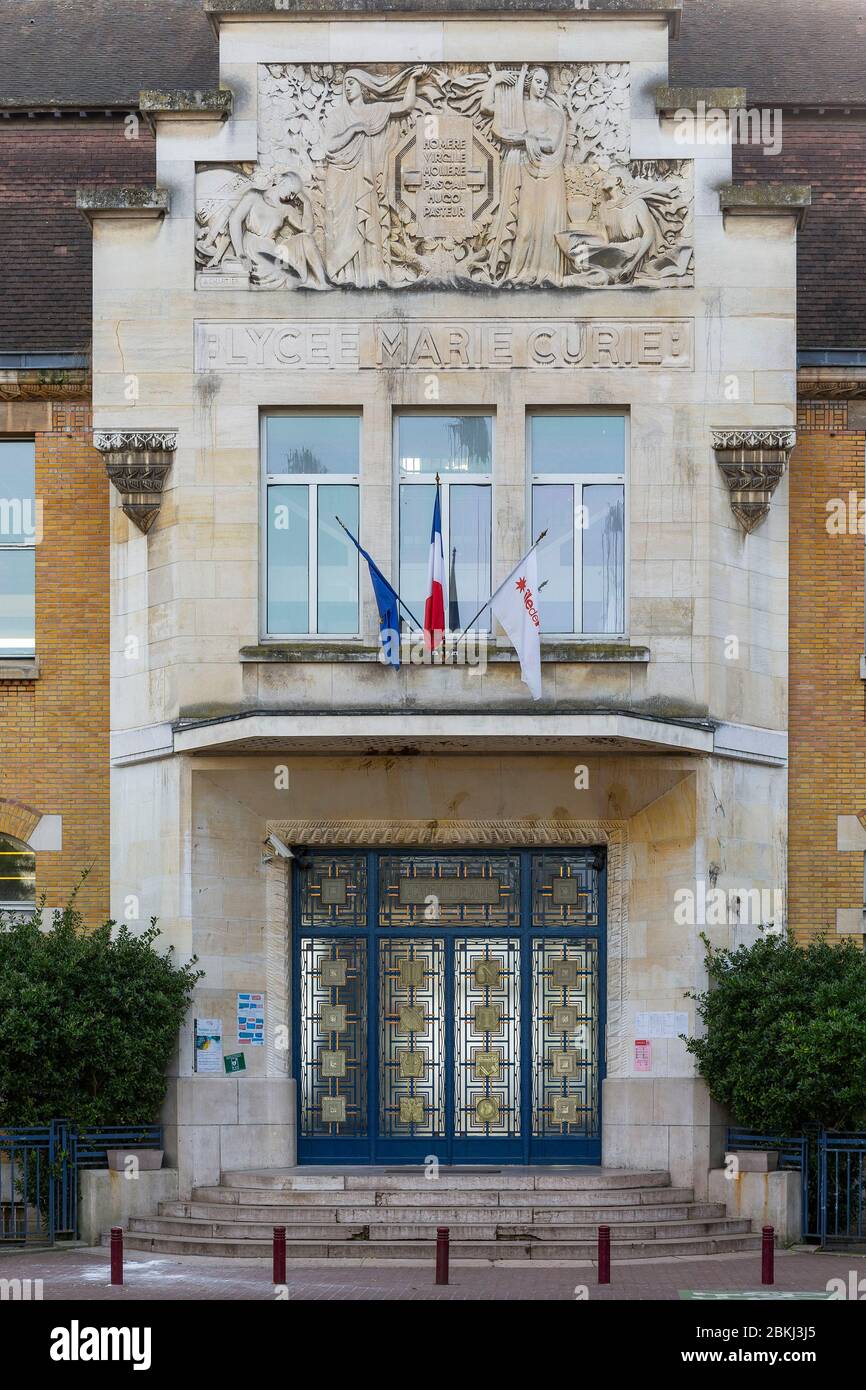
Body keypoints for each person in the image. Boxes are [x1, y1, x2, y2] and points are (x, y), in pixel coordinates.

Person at [322, 66, 428, 287]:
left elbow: (405, 106)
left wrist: (413, 79)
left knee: (367, 219)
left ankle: (370, 275)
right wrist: (354, 129)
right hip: (340, 177)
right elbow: (329, 146)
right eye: (345, 84)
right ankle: (343, 274)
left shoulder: (375, 111)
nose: (347, 88)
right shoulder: (338, 116)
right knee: (342, 227)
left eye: (352, 83)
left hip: (364, 175)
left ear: (363, 86)